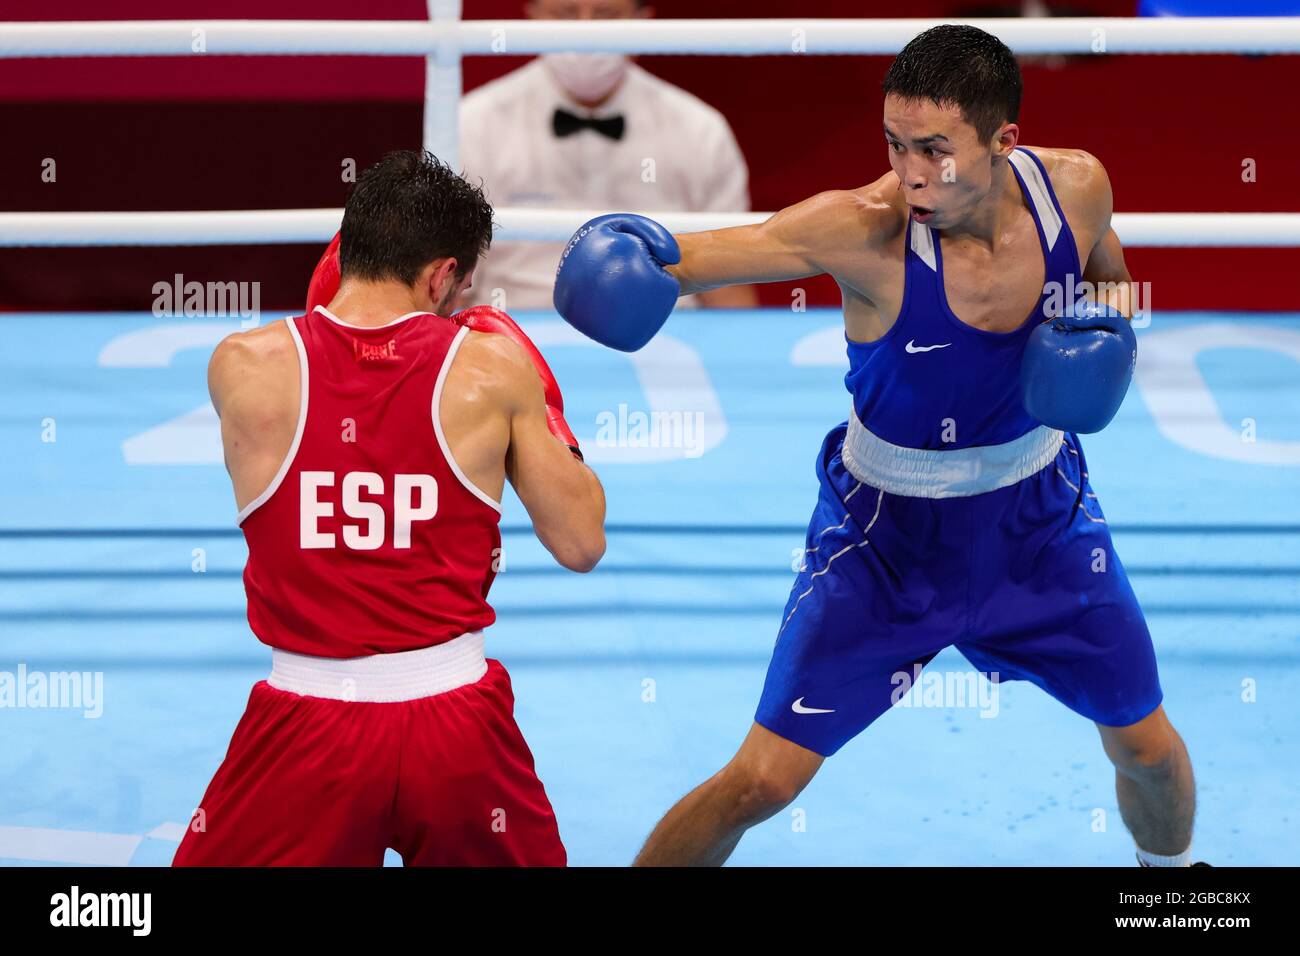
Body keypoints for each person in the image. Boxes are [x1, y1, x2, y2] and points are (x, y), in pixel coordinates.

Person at [553, 25, 1205, 867]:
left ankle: (1178, 894)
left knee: (1148, 748)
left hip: (1040, 527)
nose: (911, 173)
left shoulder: (1076, 189)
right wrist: (633, 265)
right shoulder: (862, 231)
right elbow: (697, 260)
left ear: (1004, 140)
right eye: (896, 145)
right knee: (762, 782)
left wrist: (1106, 330)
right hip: (884, 544)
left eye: (936, 150)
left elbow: (1107, 272)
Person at [174, 149, 605, 866]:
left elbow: (342, 353)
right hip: (459, 731)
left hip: (302, 733)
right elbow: (581, 543)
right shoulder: (493, 373)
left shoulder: (242, 367)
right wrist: (546, 412)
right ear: (444, 276)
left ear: (347, 249)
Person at [455, 0, 758, 311]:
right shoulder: (473, 123)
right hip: (511, 332)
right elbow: (450, 284)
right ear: (533, 16)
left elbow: (729, 288)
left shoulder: (700, 128)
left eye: (606, 14)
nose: (586, 29)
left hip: (667, 336)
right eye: (566, 13)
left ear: (642, 19)